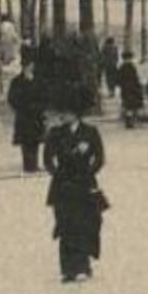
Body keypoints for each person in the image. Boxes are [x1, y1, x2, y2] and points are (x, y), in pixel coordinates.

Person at [42, 88, 107, 282]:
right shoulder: (55, 133)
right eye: (63, 112)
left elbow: (100, 158)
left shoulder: (90, 132)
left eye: (68, 112)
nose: (64, 116)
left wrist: (89, 172)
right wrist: (57, 174)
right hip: (62, 186)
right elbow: (47, 159)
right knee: (65, 225)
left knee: (85, 224)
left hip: (84, 184)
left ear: (77, 114)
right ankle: (67, 268)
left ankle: (83, 266)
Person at [8, 61, 45, 173]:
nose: (30, 68)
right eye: (28, 66)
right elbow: (12, 98)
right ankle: (28, 165)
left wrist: (41, 107)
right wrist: (20, 107)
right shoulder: (17, 82)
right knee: (25, 141)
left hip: (36, 115)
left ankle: (34, 163)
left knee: (35, 140)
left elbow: (44, 95)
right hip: (24, 115)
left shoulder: (38, 80)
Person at [115, 50, 146, 128]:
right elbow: (135, 79)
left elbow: (118, 80)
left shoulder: (121, 68)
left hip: (125, 90)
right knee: (132, 106)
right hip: (132, 89)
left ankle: (129, 121)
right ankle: (132, 121)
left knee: (128, 106)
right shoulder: (131, 67)